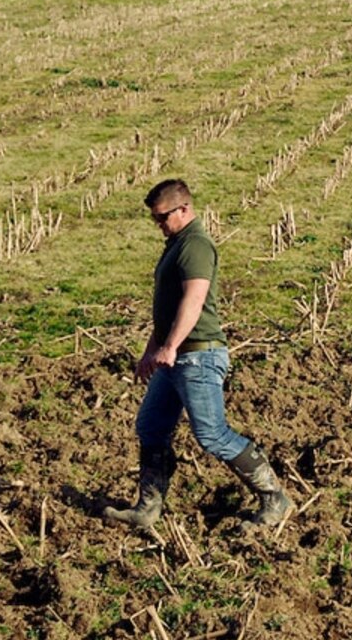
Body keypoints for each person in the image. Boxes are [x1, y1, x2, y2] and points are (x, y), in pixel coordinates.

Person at [101, 177, 293, 534]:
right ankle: (148, 508)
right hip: (175, 357)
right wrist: (152, 351)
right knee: (151, 427)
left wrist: (170, 347)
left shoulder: (196, 245)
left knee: (212, 435)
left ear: (184, 209)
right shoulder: (176, 243)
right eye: (154, 219)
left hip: (197, 356)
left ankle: (274, 497)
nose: (158, 225)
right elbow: (166, 309)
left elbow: (194, 300)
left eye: (162, 217)